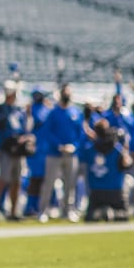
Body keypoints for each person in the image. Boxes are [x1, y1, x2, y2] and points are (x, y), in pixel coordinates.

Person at [38, 84, 85, 223]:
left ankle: (68, 210)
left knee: (70, 184)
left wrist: (74, 146)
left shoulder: (76, 112)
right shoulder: (54, 112)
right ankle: (43, 210)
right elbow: (47, 132)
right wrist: (59, 145)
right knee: (49, 183)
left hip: (71, 154)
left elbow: (80, 133)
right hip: (54, 153)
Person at [0, 83, 30, 221]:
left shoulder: (18, 110)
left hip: (18, 150)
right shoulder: (0, 109)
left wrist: (24, 138)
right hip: (6, 149)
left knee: (16, 181)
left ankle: (13, 212)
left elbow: (23, 128)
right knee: (3, 179)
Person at [80, 120, 131, 222]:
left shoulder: (90, 149)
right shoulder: (117, 149)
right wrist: (125, 148)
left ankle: (101, 212)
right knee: (123, 216)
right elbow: (127, 164)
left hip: (96, 191)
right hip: (115, 190)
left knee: (90, 217)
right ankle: (111, 213)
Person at [24, 86, 53, 218]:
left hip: (46, 148)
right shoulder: (30, 110)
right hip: (35, 150)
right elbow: (27, 128)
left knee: (46, 179)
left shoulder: (48, 109)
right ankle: (31, 206)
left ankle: (44, 206)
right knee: (34, 178)